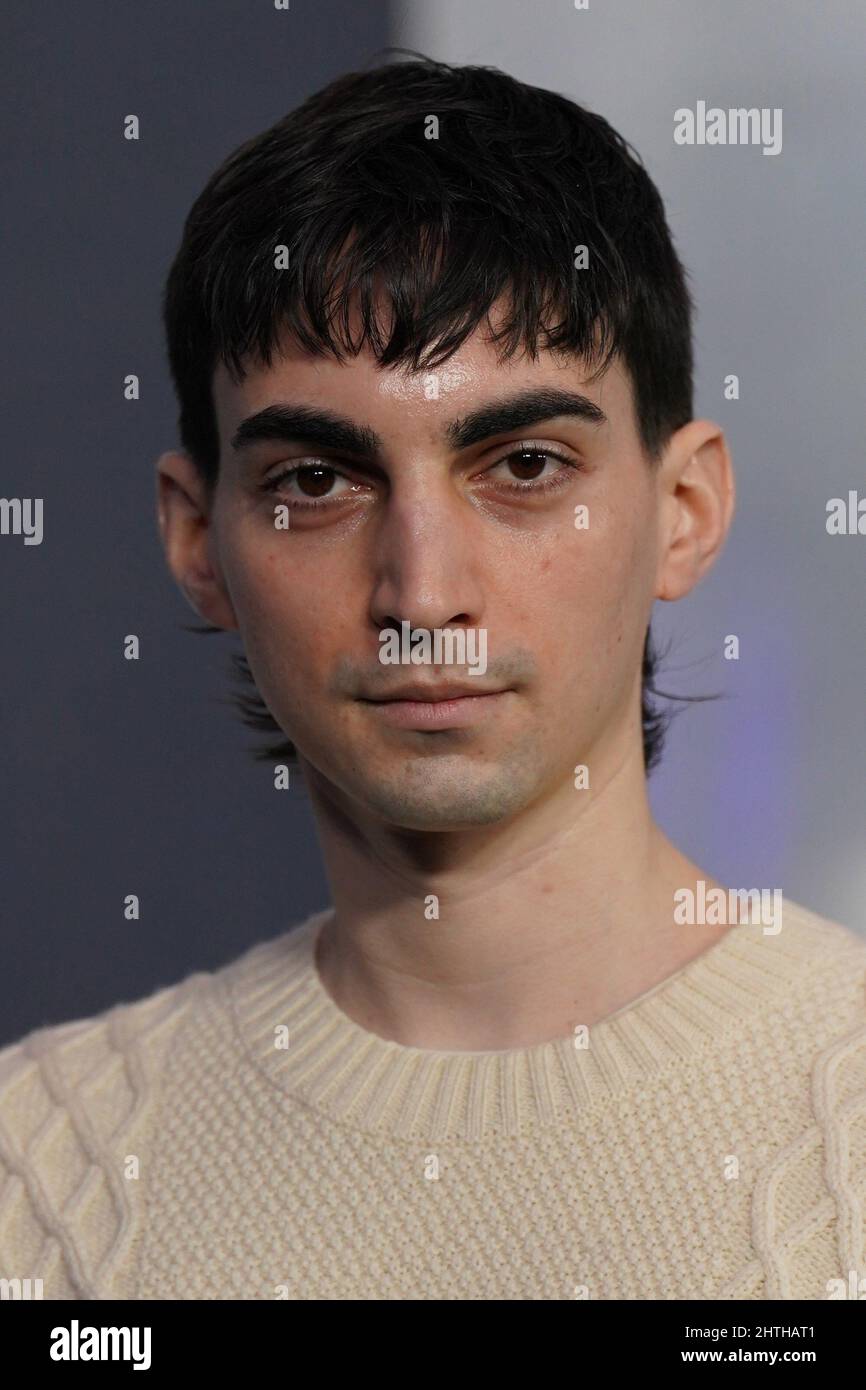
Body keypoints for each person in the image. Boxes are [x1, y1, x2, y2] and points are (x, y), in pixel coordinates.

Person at [1, 56, 864, 1302]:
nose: (421, 592)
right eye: (316, 481)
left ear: (681, 510)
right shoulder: (37, 1175)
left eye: (523, 466)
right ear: (196, 541)